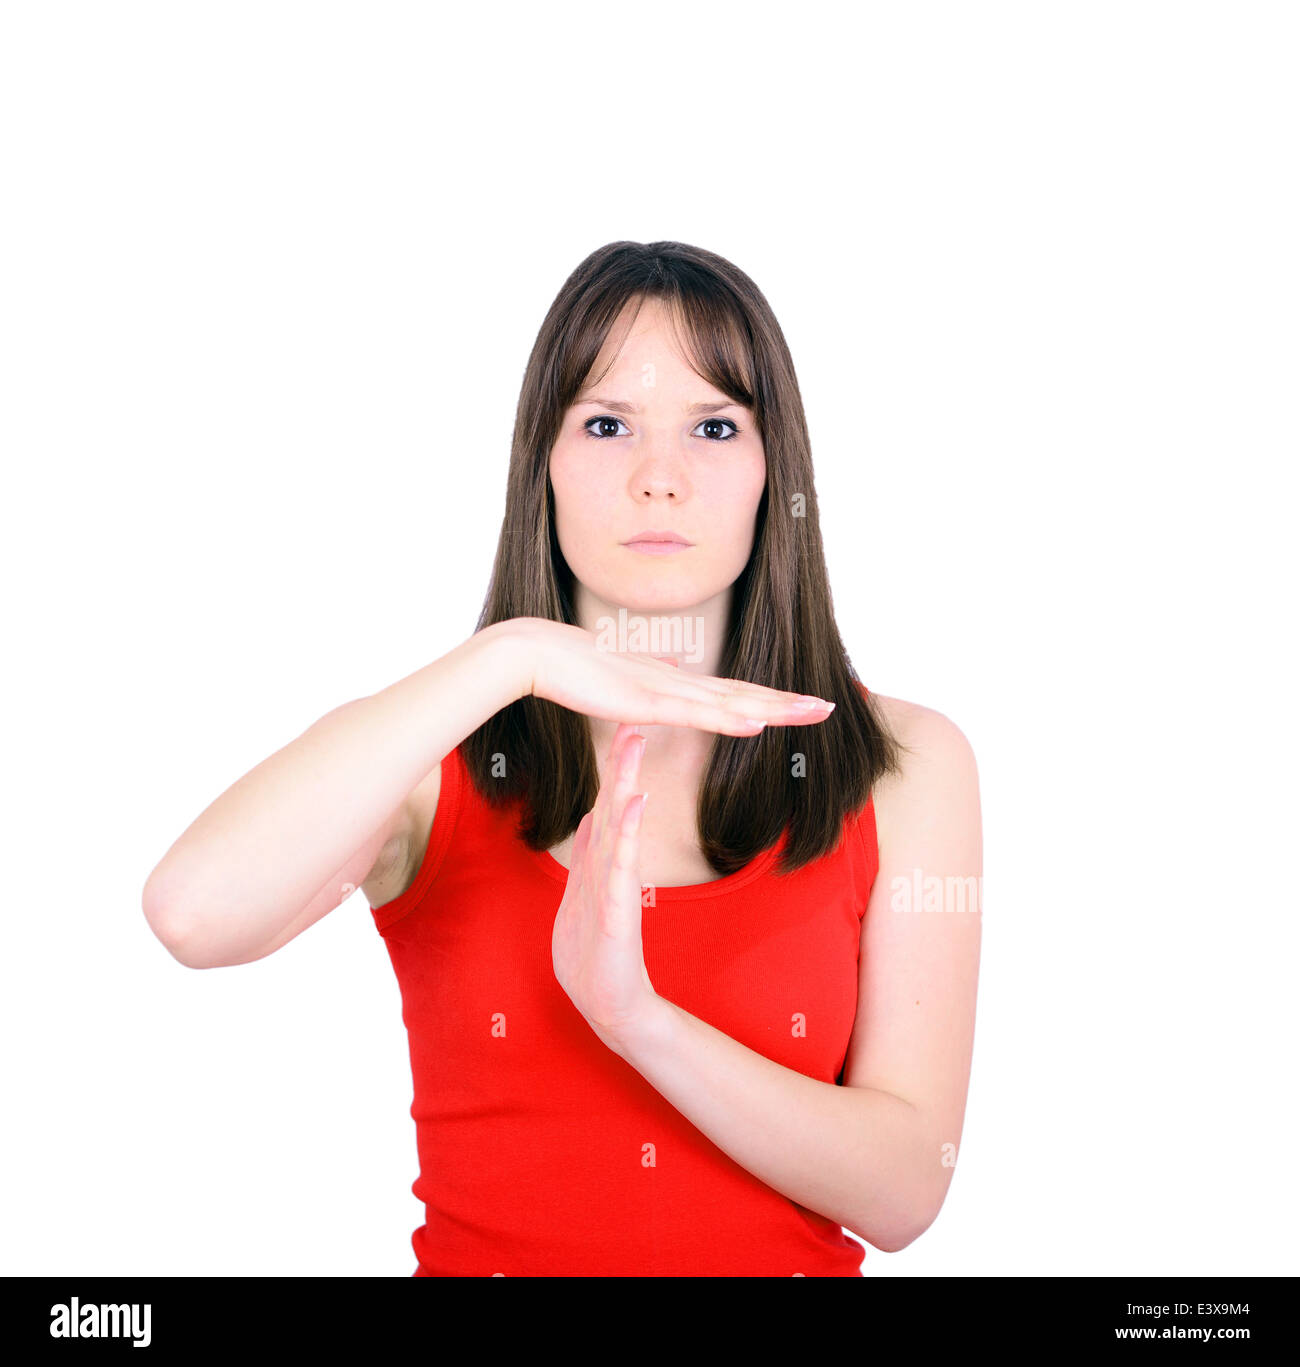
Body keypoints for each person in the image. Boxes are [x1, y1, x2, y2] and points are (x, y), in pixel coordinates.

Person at [142, 240, 983, 1276]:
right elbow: (191, 911)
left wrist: (637, 1018)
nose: (658, 478)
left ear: (776, 468)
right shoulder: (432, 756)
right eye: (606, 423)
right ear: (541, 458)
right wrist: (517, 653)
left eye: (714, 425)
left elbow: (905, 1186)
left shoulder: (904, 762)